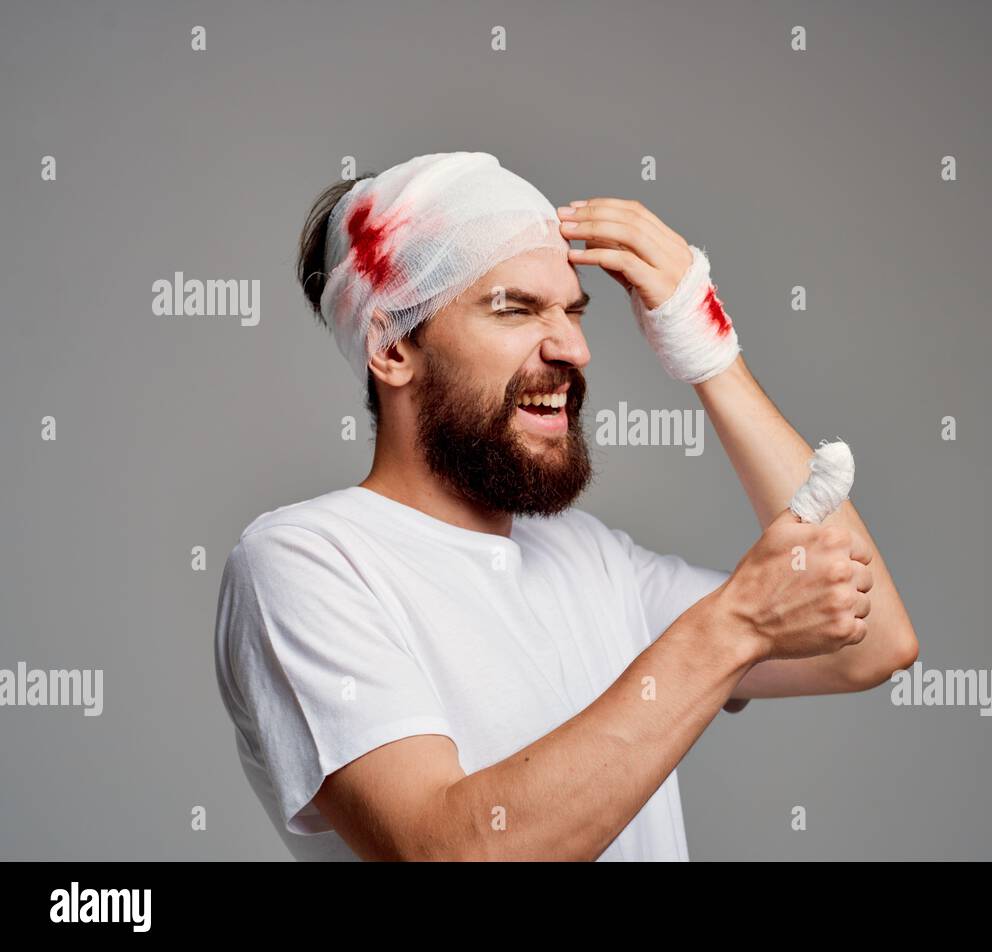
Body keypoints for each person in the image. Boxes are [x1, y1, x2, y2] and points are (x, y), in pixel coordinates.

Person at [212, 152, 918, 861]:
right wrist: (731, 626)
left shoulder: (597, 559)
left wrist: (711, 354)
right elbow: (446, 851)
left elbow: (872, 644)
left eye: (573, 312)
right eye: (515, 308)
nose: (574, 348)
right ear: (394, 346)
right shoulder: (307, 561)